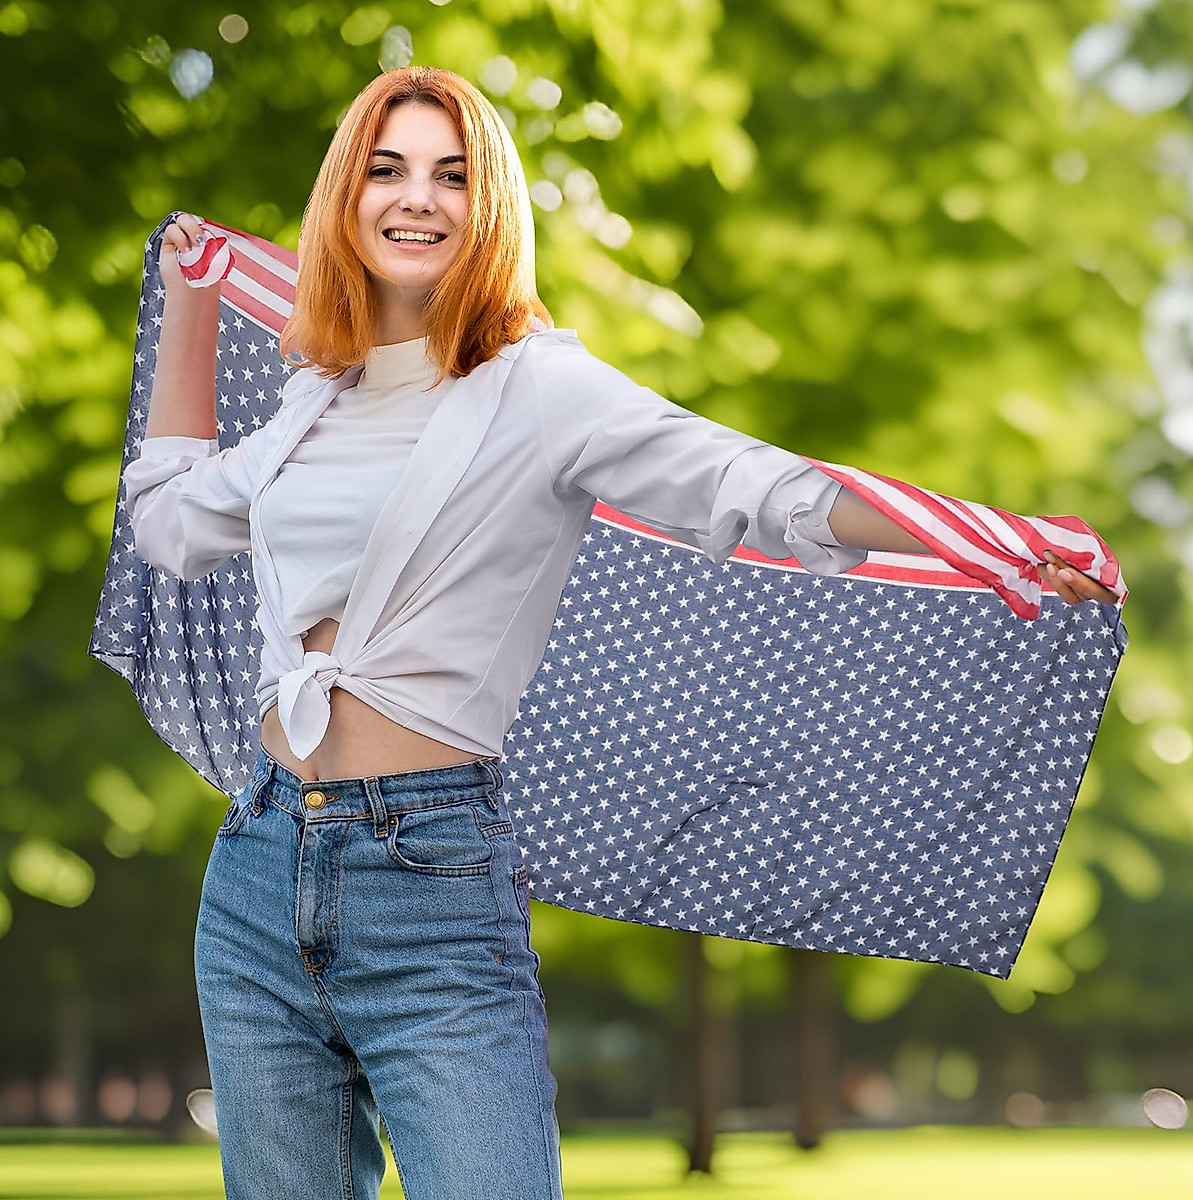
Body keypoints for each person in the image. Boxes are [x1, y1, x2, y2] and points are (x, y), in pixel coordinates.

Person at [125, 66, 1118, 1200]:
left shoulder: (543, 389)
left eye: (452, 175)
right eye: (386, 169)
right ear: (345, 200)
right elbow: (168, 524)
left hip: (430, 880)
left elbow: (755, 489)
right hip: (257, 866)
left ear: (487, 207)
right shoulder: (314, 399)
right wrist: (191, 291)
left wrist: (973, 540)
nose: (417, 198)